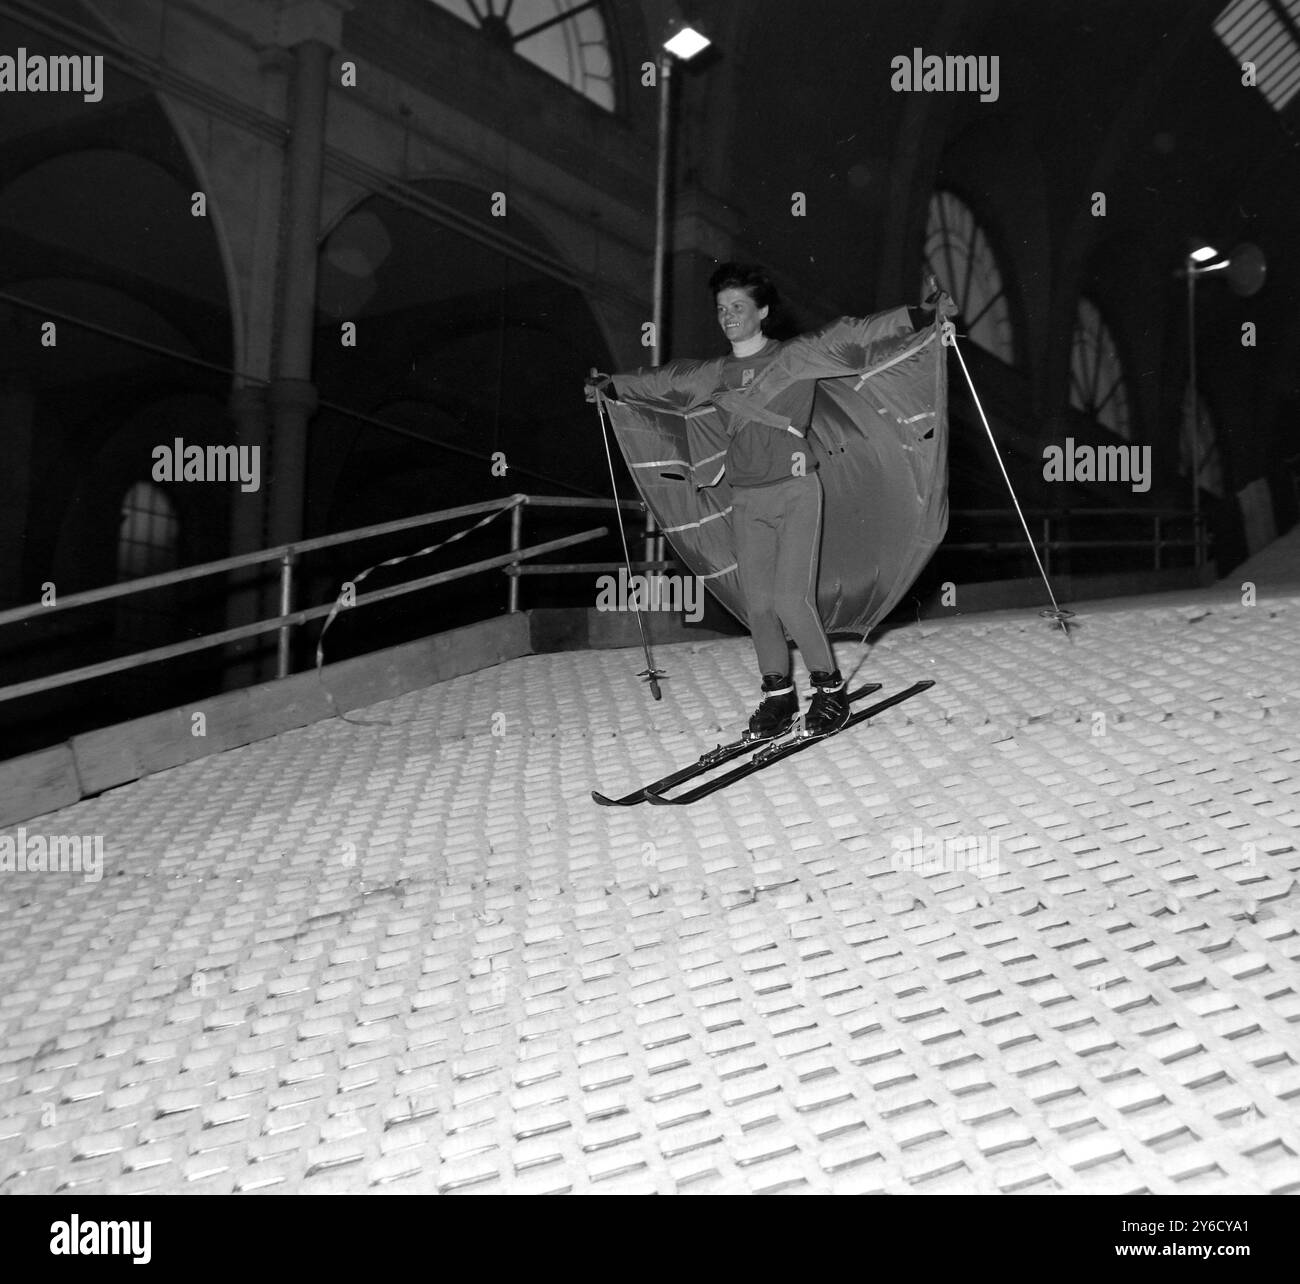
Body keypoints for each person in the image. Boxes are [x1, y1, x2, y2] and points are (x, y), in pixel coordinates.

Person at [586, 263, 935, 742]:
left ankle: (829, 691)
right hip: (747, 499)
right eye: (722, 309)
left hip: (795, 491)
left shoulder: (799, 356)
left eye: (738, 308)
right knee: (759, 605)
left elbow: (856, 335)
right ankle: (777, 696)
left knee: (792, 598)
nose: (728, 317)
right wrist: (613, 386)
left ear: (762, 312)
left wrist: (919, 315)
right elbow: (663, 382)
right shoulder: (714, 374)